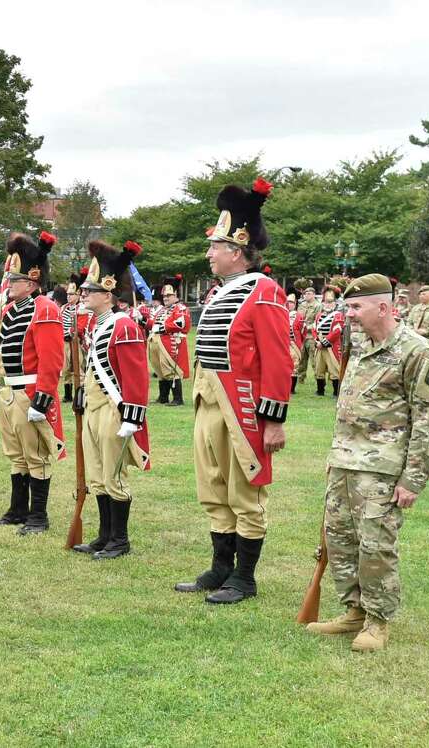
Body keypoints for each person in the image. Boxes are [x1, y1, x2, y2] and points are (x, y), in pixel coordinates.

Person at [306, 273, 429, 652]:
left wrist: (413, 479)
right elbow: (349, 407)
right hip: (345, 463)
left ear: (383, 307)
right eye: (347, 307)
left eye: (355, 307)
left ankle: (377, 621)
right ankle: (353, 610)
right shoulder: (361, 345)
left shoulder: (417, 352)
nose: (348, 314)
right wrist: (334, 457)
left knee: (375, 545)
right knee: (340, 540)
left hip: (382, 469)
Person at [174, 178, 292, 605]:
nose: (209, 253)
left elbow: (279, 359)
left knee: (245, 492)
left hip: (241, 407)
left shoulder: (264, 291)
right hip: (208, 401)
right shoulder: (222, 292)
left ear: (236, 251)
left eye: (215, 247)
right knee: (214, 486)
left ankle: (244, 578)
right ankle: (221, 567)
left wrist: (274, 419)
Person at [70, 239, 151, 559]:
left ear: (108, 293)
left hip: (114, 410)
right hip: (93, 407)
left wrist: (132, 417)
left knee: (113, 475)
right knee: (97, 474)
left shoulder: (124, 326)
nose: (84, 294)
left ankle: (120, 539)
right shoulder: (96, 323)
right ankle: (104, 536)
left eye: (90, 290)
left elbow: (136, 377)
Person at [0, 231, 66, 534]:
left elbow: (52, 360)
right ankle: (17, 510)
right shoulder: (9, 310)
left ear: (32, 281)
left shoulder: (43, 308)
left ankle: (38, 516)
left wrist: (42, 399)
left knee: (35, 456)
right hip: (9, 391)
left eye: (14, 280)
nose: (8, 285)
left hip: (29, 393)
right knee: (15, 455)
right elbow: (0, 354)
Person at [148, 279, 190, 406]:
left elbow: (180, 323)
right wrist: (142, 320)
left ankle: (178, 398)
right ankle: (163, 397)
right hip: (157, 341)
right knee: (160, 370)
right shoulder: (162, 310)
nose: (165, 298)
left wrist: (162, 328)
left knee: (171, 369)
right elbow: (153, 323)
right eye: (164, 296)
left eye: (168, 295)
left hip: (171, 342)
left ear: (175, 295)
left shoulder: (180, 308)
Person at [313, 287, 344, 397]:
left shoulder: (338, 315)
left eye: (330, 302)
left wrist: (324, 343)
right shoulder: (318, 316)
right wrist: (317, 341)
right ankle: (320, 390)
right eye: (326, 302)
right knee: (318, 368)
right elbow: (314, 329)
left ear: (335, 303)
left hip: (331, 346)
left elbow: (337, 331)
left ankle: (336, 392)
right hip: (320, 346)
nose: (327, 304)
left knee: (334, 369)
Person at [294, 284, 320, 386]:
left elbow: (318, 320)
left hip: (311, 336)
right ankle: (300, 379)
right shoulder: (301, 305)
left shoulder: (318, 306)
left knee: (314, 359)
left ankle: (318, 379)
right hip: (301, 336)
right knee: (301, 359)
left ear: (314, 295)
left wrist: (307, 327)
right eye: (305, 294)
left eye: (309, 294)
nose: (307, 295)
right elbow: (298, 318)